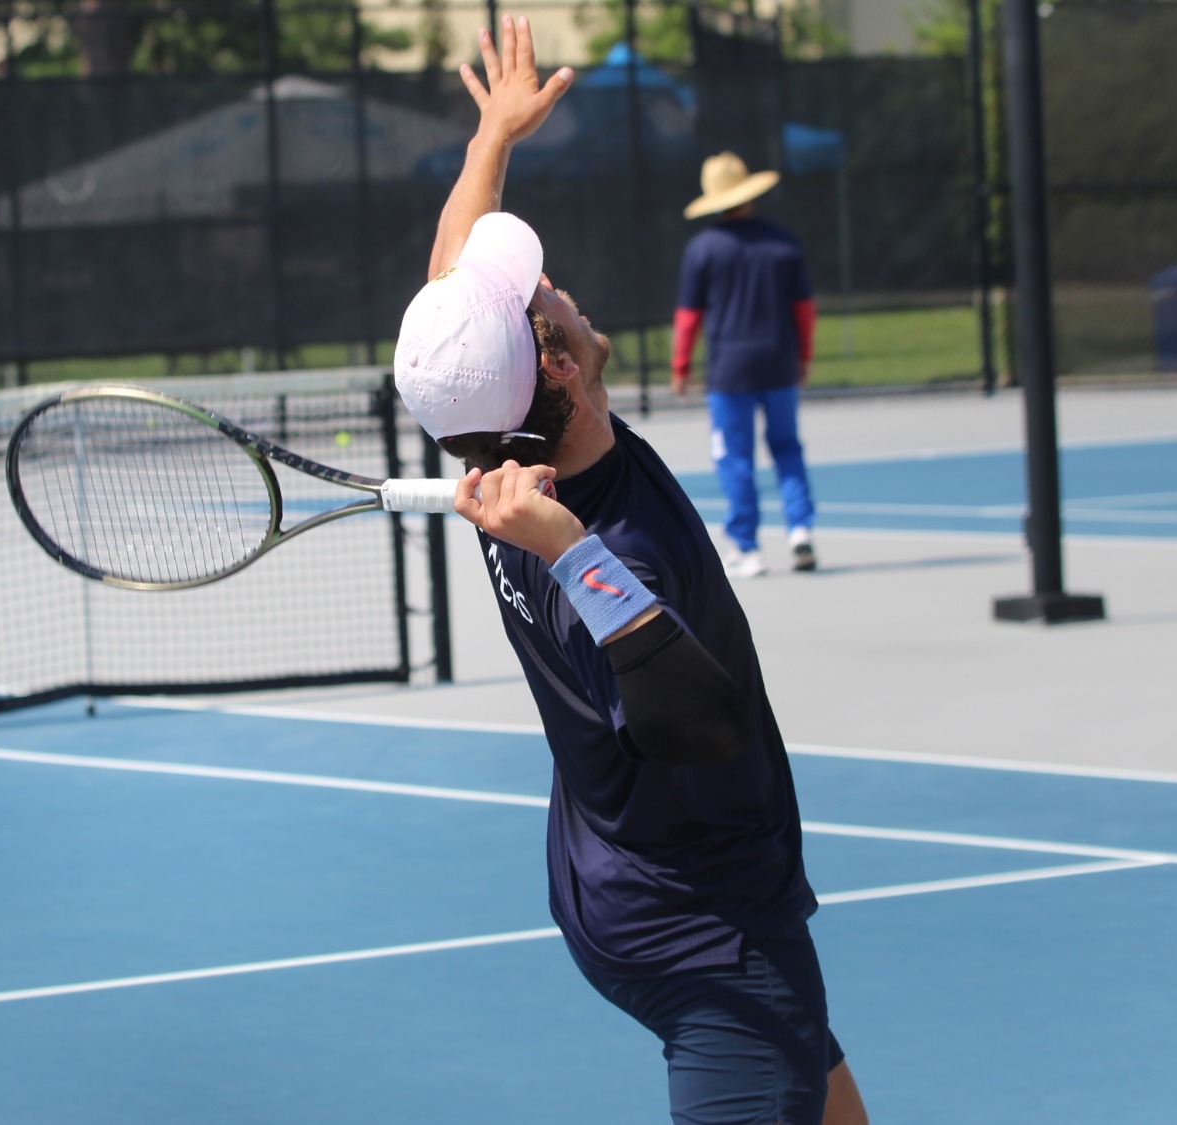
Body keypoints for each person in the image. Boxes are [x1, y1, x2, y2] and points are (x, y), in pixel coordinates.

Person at [391, 17, 868, 1125]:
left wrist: (492, 139)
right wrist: (574, 553)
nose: (556, 285)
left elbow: (449, 288)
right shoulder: (601, 543)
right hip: (707, 934)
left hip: (619, 880)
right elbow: (701, 723)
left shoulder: (491, 446)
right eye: (541, 297)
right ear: (558, 363)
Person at [671, 151, 820, 577]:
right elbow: (805, 310)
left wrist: (681, 366)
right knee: (787, 448)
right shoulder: (783, 243)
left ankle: (747, 547)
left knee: (735, 458)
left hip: (729, 372)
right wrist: (803, 357)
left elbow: (688, 317)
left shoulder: (702, 249)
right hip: (779, 364)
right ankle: (800, 531)